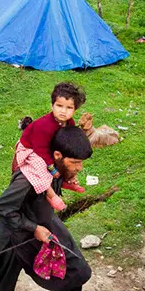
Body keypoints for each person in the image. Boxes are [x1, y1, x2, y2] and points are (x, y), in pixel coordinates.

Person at [0, 126, 93, 291]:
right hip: (17, 232)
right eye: (75, 162)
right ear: (58, 155)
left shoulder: (53, 168)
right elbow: (3, 207)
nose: (79, 168)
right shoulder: (27, 179)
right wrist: (33, 228)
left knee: (78, 270)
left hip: (45, 224)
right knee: (5, 274)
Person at [14, 82, 87, 211]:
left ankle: (67, 181)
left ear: (75, 109)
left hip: (49, 147)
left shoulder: (69, 122)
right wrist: (52, 168)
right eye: (59, 106)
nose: (63, 111)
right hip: (31, 149)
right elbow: (40, 150)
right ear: (52, 105)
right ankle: (51, 195)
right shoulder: (44, 126)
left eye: (69, 108)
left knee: (67, 160)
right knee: (39, 168)